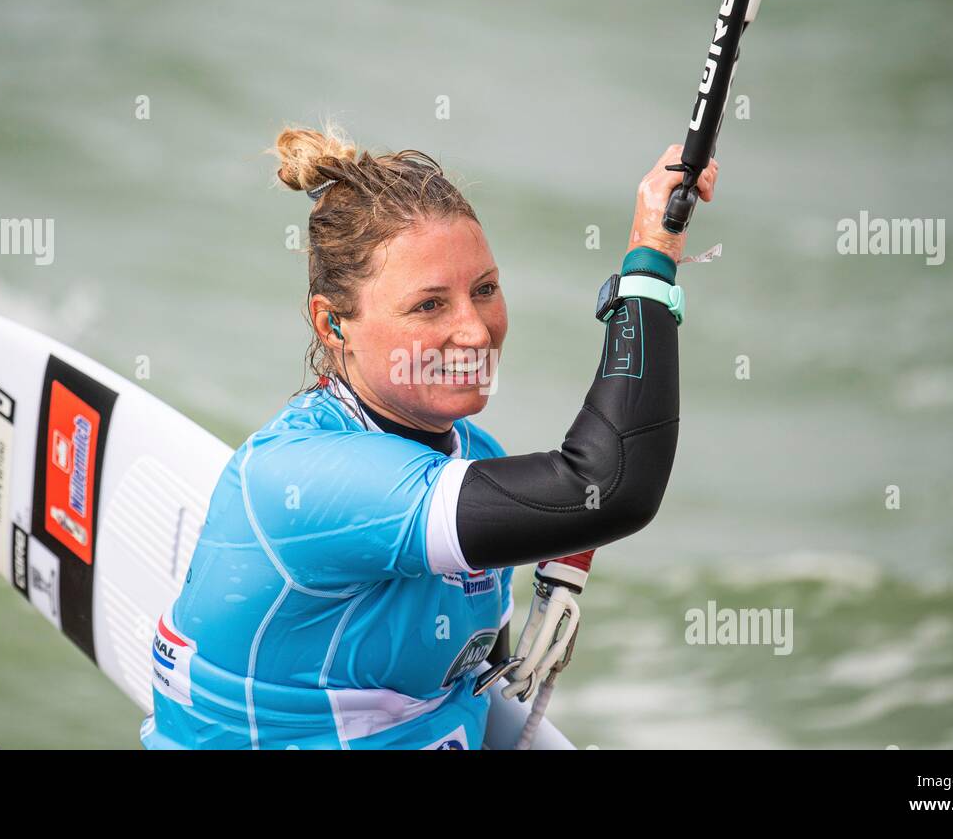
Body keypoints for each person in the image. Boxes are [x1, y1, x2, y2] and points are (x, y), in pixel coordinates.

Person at [141, 123, 718, 749]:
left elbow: (584, 499)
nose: (474, 332)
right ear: (332, 323)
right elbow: (607, 484)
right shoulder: (305, 480)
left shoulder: (472, 457)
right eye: (429, 306)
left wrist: (569, 546)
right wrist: (651, 255)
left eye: (485, 290)